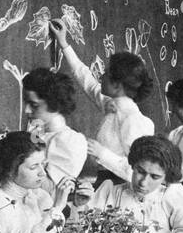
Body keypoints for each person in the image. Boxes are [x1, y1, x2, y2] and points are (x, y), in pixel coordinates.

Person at [50, 19, 154, 188]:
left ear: (117, 85)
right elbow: (86, 79)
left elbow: (139, 170)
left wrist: (102, 153)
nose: (101, 77)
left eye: (105, 74)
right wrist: (64, 43)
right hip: (104, 183)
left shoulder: (133, 119)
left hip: (121, 187)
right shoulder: (112, 104)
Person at [83, 135, 183, 233]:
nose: (143, 182)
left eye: (155, 177)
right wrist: (78, 205)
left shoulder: (171, 193)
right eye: (140, 171)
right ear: (133, 166)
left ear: (166, 178)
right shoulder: (110, 191)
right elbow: (81, 232)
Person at [21, 67, 87, 198]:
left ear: (54, 104)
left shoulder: (70, 141)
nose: (26, 110)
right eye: (26, 103)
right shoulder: (37, 130)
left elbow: (50, 189)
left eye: (34, 105)